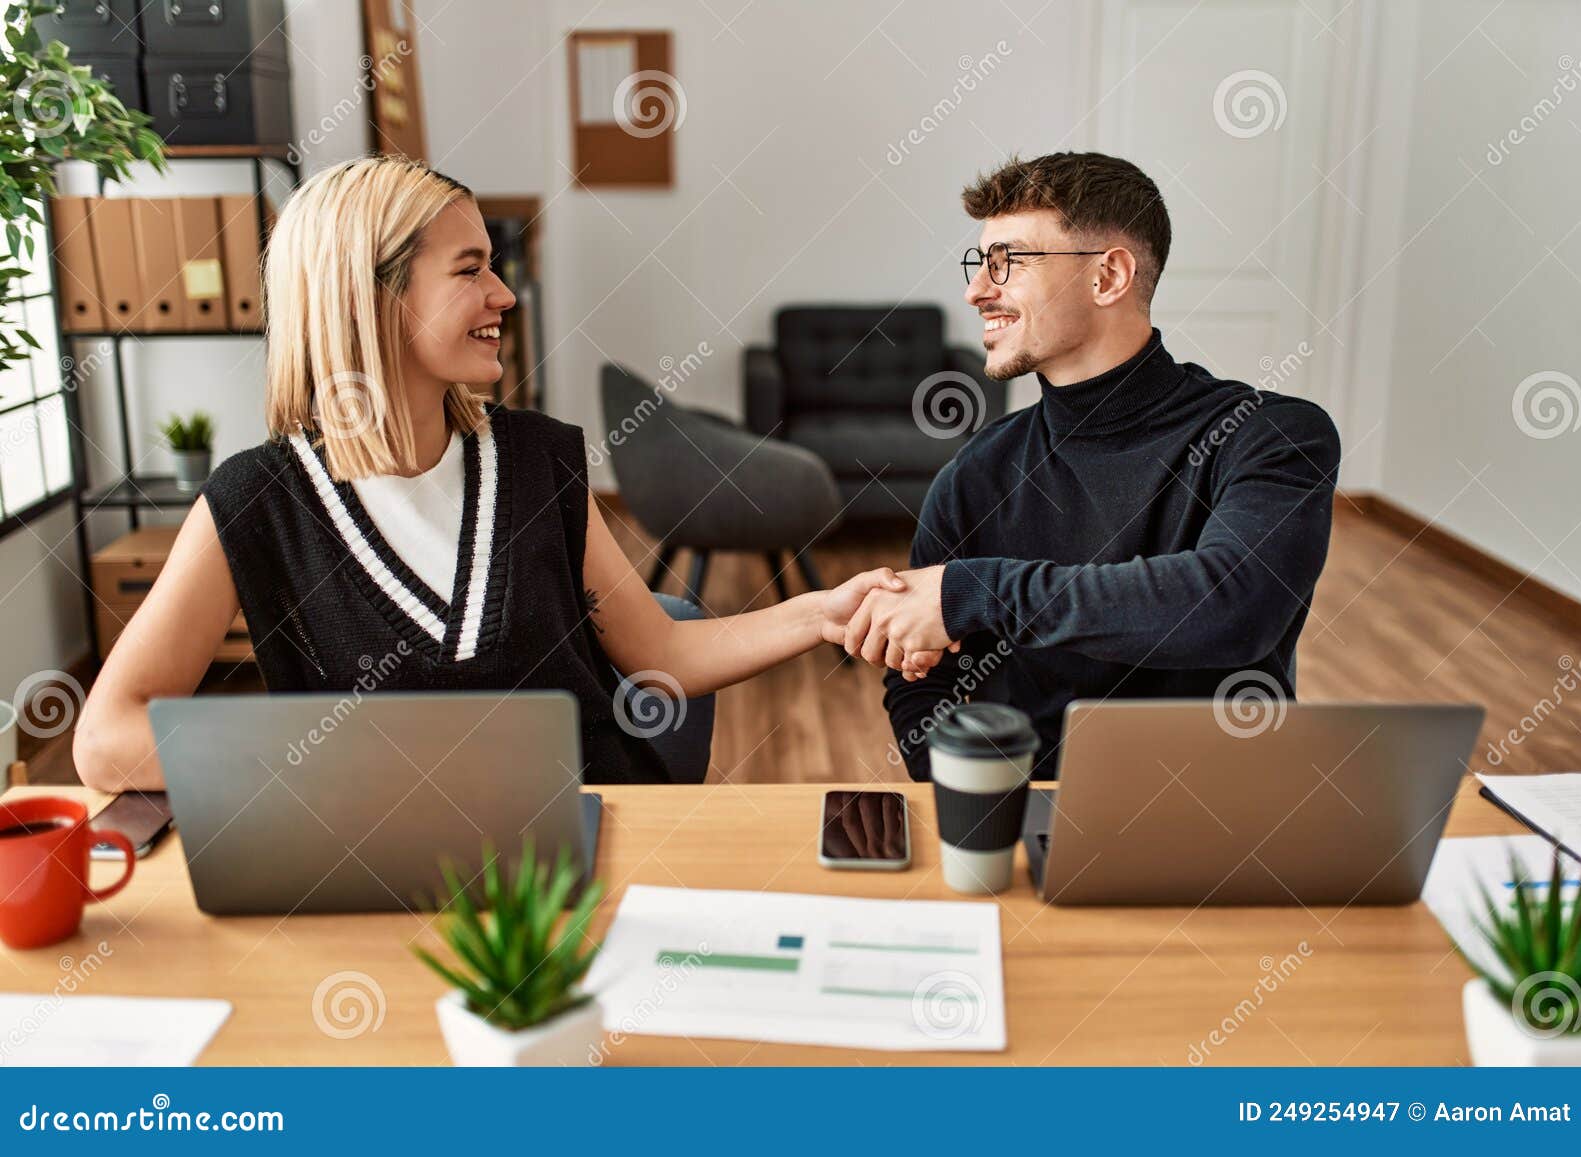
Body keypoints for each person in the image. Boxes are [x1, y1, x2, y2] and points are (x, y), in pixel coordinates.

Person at [74, 155, 943, 791]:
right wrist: (316, 755)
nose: (505, 295)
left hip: (593, 836)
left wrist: (817, 613)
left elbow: (663, 651)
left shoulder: (540, 462)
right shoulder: (254, 500)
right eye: (470, 270)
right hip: (376, 872)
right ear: (374, 297)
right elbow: (105, 739)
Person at [854, 151, 1341, 779]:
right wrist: (980, 801)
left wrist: (978, 591)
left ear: (1108, 276)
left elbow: (1231, 606)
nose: (976, 290)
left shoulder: (1270, 435)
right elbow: (921, 684)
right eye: (980, 263)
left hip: (1226, 821)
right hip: (1035, 817)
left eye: (1009, 261)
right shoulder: (977, 475)